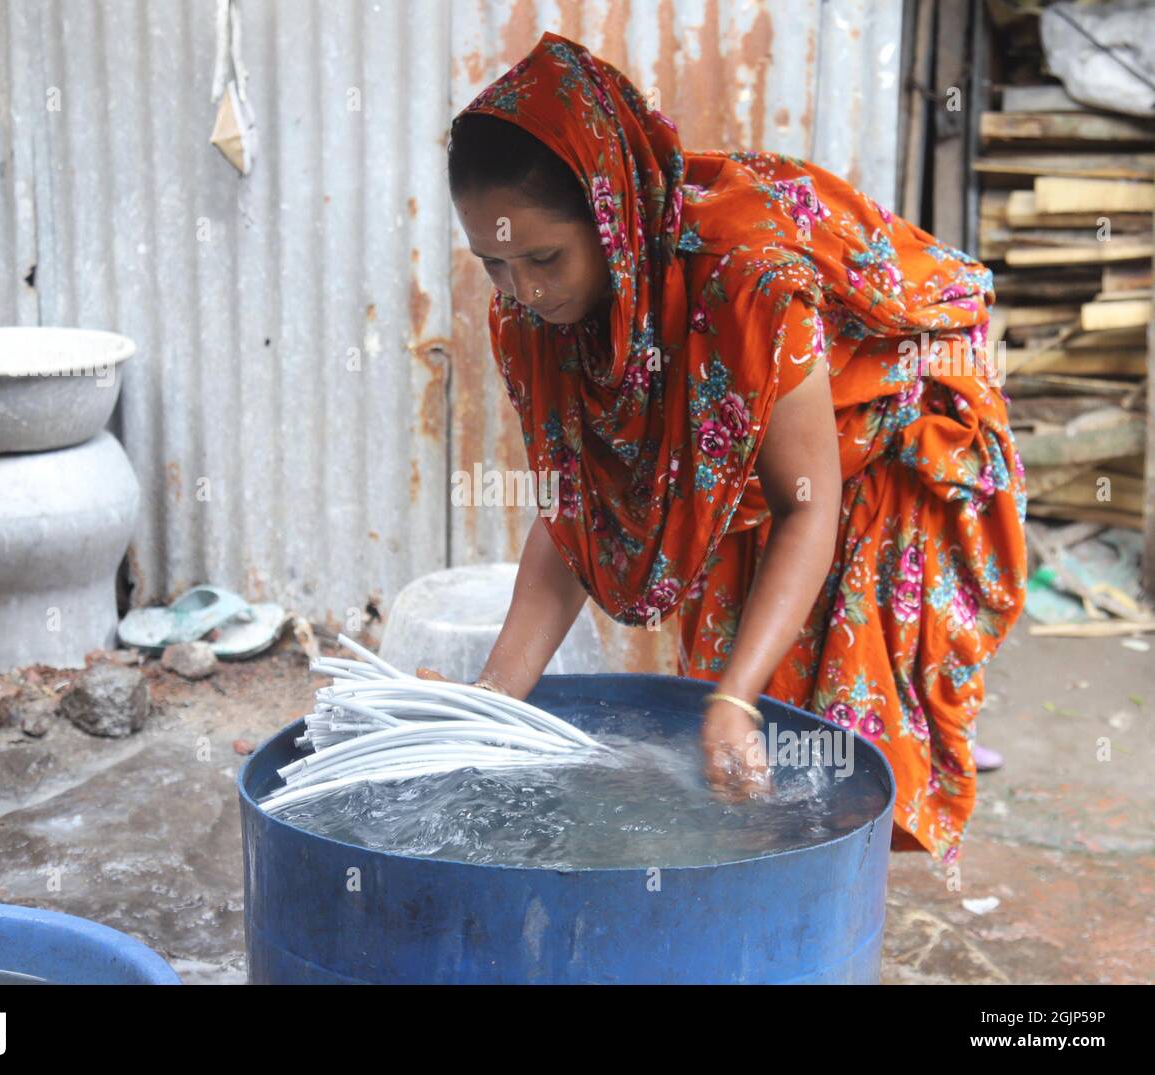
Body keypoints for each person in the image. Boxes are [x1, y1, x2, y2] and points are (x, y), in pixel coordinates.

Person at [433, 31, 1027, 862]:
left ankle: (833, 911)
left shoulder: (745, 282)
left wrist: (741, 696)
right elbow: (575, 514)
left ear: (613, 217)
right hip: (762, 467)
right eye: (493, 263)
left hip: (877, 439)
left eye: (543, 257)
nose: (524, 290)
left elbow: (805, 505)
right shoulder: (534, 319)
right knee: (735, 738)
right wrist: (488, 701)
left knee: (835, 728)